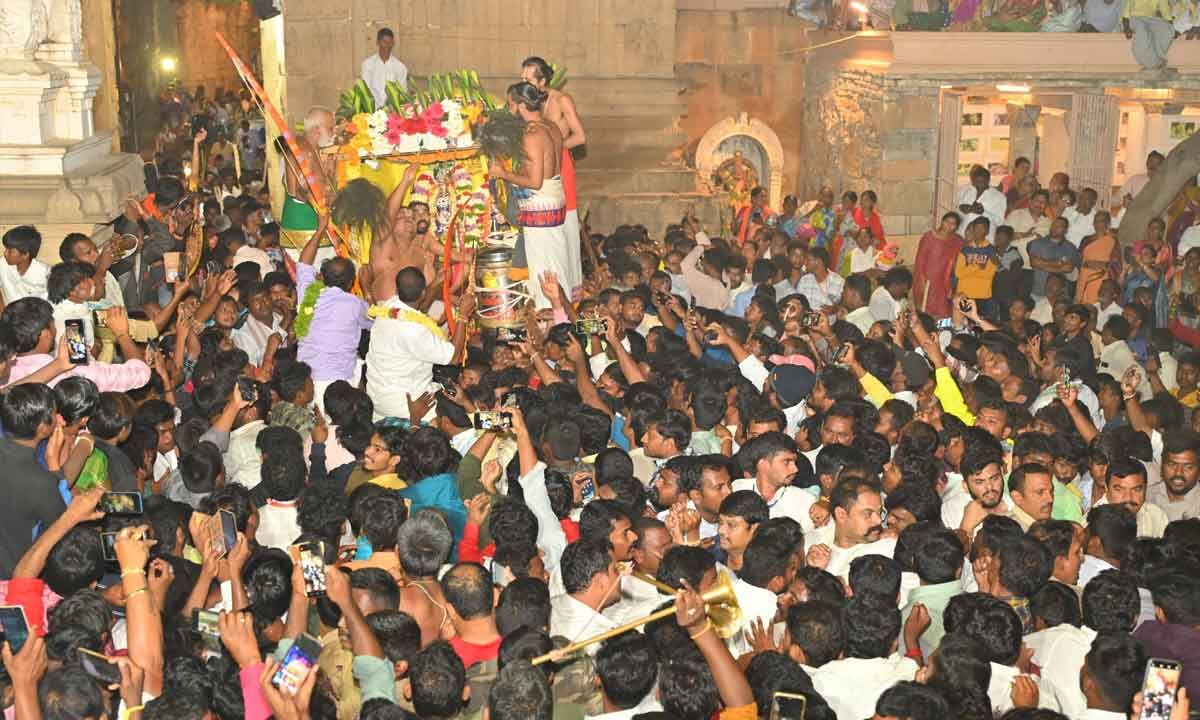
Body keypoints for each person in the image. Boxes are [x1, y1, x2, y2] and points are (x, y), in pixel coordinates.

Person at [488, 82, 572, 310]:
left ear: (520, 105)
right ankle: (560, 313)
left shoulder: (532, 134)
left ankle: (551, 317)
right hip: (554, 200)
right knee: (556, 263)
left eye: (510, 104)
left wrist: (503, 173)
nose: (509, 109)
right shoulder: (551, 127)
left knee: (544, 270)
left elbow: (535, 182)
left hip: (541, 205)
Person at [365, 268, 474, 420]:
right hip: (406, 404)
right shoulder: (415, 331)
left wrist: (435, 284)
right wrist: (463, 315)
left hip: (378, 398)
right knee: (457, 413)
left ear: (397, 290)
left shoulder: (388, 307)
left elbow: (417, 308)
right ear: (422, 293)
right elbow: (453, 358)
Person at [521, 56, 586, 302]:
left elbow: (580, 137)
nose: (524, 83)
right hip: (540, 169)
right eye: (522, 79)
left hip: (560, 165)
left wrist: (552, 148)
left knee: (565, 227)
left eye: (528, 79)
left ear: (543, 80)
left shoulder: (561, 100)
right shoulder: (529, 104)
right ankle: (544, 289)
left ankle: (567, 293)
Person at [913, 212, 964, 317]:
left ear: (956, 227)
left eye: (953, 224)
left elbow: (958, 263)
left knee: (944, 313)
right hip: (928, 281)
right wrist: (921, 281)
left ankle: (942, 333)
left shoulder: (957, 241)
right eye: (947, 222)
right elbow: (920, 262)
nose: (949, 225)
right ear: (942, 221)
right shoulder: (929, 237)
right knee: (926, 311)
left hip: (945, 283)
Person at [956, 165, 1007, 242]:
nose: (978, 185)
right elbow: (957, 212)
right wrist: (962, 209)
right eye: (976, 182)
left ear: (988, 180)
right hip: (962, 235)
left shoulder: (999, 197)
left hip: (985, 239)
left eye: (982, 182)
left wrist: (983, 212)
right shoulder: (965, 190)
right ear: (972, 180)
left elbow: (999, 221)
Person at [360, 28, 408, 107]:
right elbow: (365, 91)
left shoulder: (400, 67)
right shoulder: (368, 64)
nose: (388, 46)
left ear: (393, 43)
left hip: (393, 112)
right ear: (378, 42)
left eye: (390, 42)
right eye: (384, 42)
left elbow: (403, 92)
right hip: (372, 111)